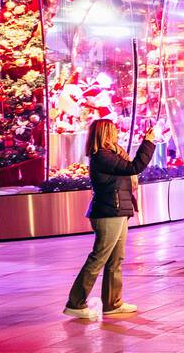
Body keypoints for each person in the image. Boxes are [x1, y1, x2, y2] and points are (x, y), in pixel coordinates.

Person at [63, 119, 159, 319]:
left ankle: (112, 303)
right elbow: (135, 166)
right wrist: (148, 143)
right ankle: (76, 303)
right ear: (106, 133)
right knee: (99, 258)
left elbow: (129, 167)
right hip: (108, 213)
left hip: (117, 211)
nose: (116, 134)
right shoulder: (102, 157)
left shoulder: (111, 154)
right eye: (113, 131)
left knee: (116, 259)